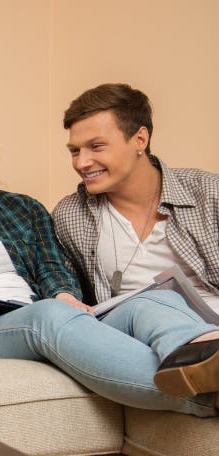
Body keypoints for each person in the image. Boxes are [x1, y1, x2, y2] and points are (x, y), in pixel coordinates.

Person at [0, 99, 219, 417]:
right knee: (47, 316)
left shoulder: (24, 208)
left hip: (46, 311)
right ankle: (204, 400)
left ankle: (204, 354)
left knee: (150, 303)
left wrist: (64, 295)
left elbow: (52, 267)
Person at [53, 83, 219, 401]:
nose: (82, 162)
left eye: (96, 147)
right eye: (75, 151)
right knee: (153, 303)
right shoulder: (71, 215)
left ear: (139, 139)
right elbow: (71, 294)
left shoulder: (208, 193)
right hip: (137, 330)